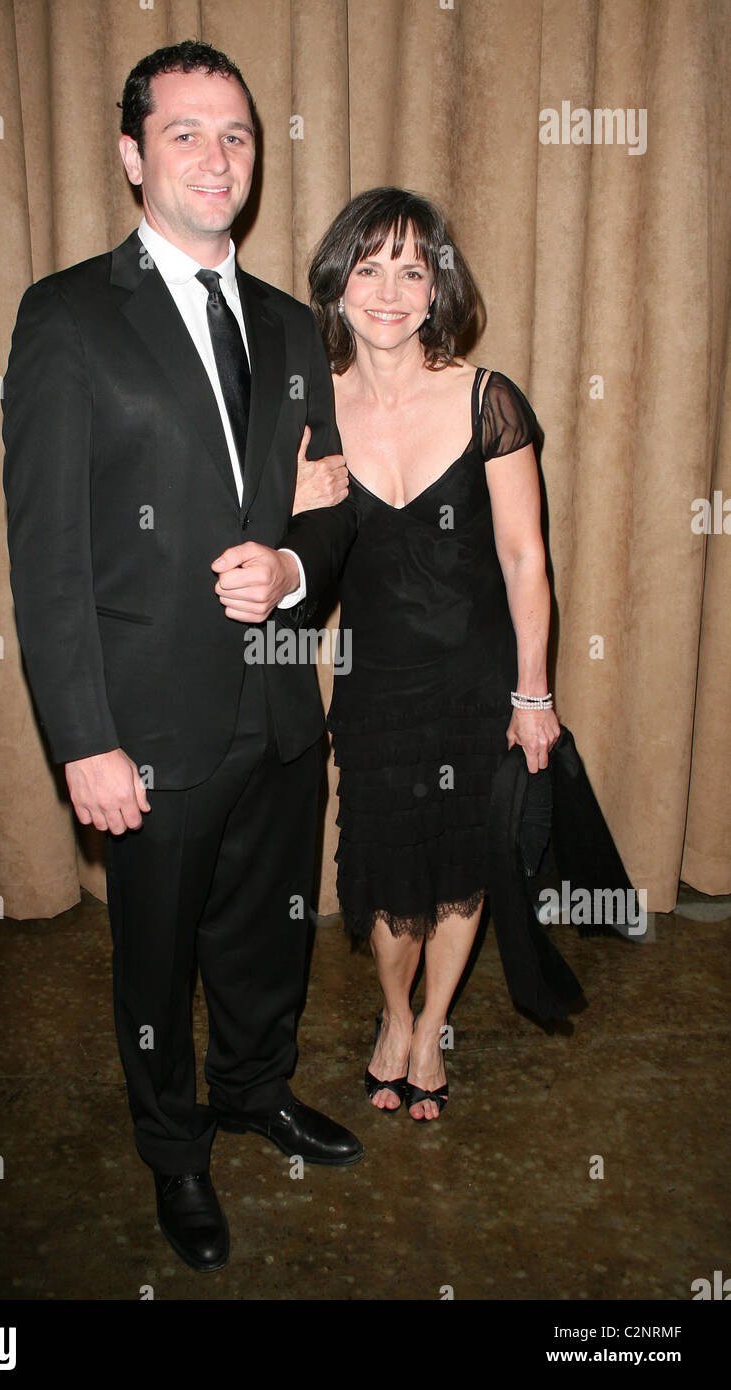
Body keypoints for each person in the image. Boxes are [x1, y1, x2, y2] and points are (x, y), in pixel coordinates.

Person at [2, 40, 361, 1275]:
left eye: (238, 135)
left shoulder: (285, 325)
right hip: (144, 725)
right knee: (153, 958)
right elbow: (46, 555)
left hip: (277, 713)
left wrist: (293, 567)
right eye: (187, 132)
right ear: (131, 153)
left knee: (269, 932)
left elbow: (329, 503)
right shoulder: (64, 317)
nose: (217, 157)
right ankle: (176, 1155)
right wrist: (82, 739)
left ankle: (256, 1091)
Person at [297, 186, 561, 1123]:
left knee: (460, 865)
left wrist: (534, 694)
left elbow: (526, 557)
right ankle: (393, 1011)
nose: (391, 289)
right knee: (380, 868)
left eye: (414, 268)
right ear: (337, 285)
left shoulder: (489, 399)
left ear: (438, 288)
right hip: (374, 684)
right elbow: (291, 558)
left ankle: (428, 1028)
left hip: (476, 679)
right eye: (370, 267)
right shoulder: (309, 415)